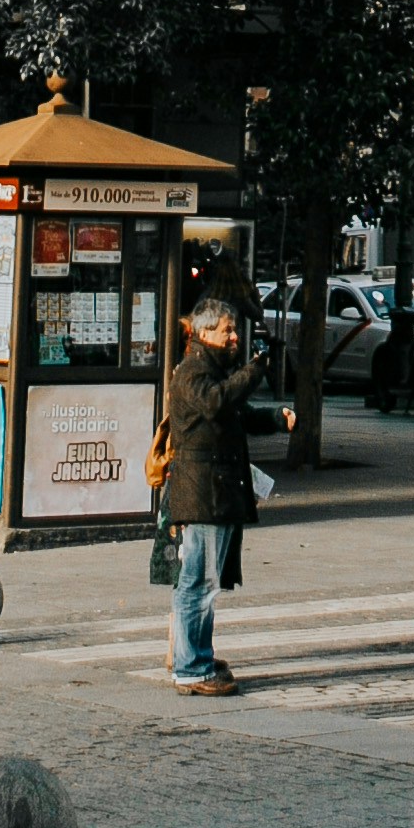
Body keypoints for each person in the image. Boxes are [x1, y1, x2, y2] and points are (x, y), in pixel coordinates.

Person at [158, 299, 261, 698]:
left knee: (206, 582)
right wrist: (254, 372)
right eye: (226, 330)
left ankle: (198, 655)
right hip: (202, 492)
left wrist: (276, 418)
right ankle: (190, 667)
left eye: (234, 329)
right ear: (204, 334)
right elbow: (217, 401)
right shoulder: (193, 372)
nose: (234, 337)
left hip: (215, 491)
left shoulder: (210, 370)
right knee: (197, 582)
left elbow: (234, 410)